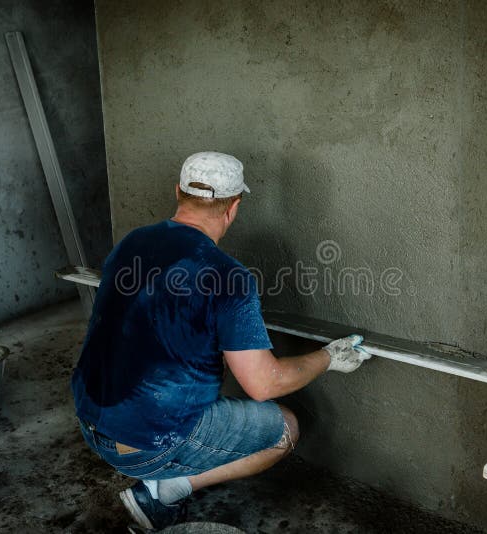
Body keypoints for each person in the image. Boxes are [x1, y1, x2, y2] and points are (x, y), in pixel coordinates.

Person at [71, 151, 371, 530]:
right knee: (285, 431)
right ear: (234, 208)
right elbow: (264, 384)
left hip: (90, 422)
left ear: (177, 191)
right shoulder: (229, 277)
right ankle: (163, 491)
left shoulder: (131, 244)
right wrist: (328, 357)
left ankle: (158, 483)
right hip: (145, 444)